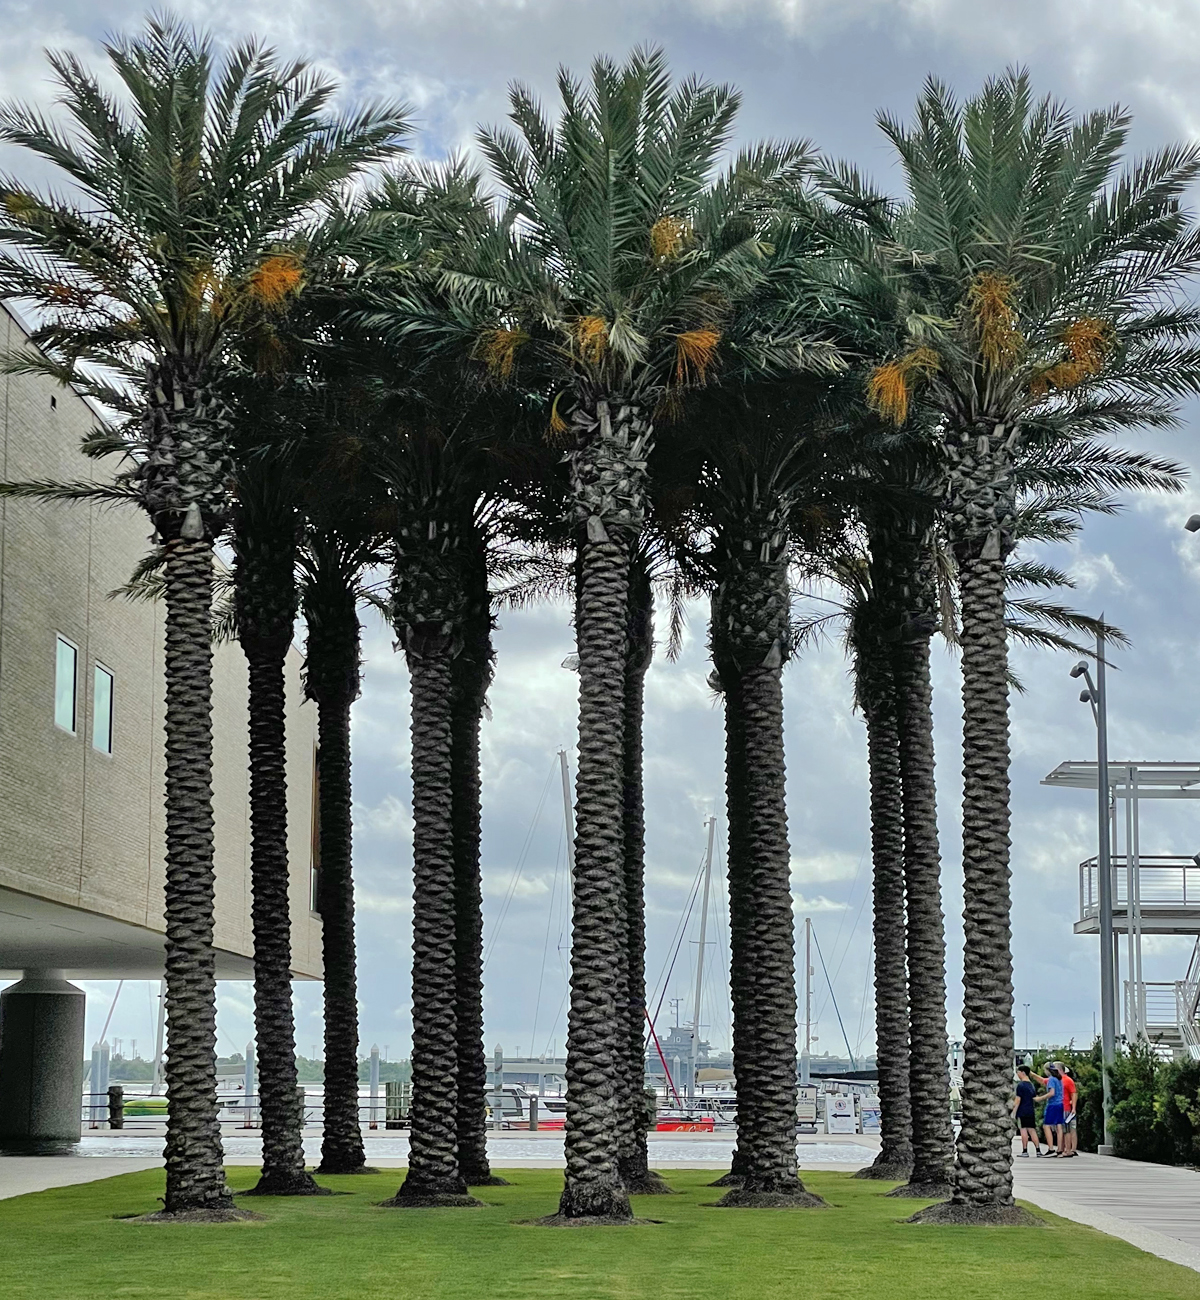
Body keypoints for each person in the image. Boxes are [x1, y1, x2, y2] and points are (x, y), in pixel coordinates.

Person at [1011, 1065, 1043, 1157]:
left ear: (1023, 1073)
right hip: (1030, 1110)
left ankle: (1025, 1151)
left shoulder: (1020, 1085)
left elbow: (1018, 1100)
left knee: (1023, 1130)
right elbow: (1034, 1097)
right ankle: (1038, 1150)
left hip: (1022, 1111)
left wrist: (1013, 1112)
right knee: (1032, 1130)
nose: (1017, 1074)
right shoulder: (1031, 1085)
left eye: (1018, 1072)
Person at [1036, 1063, 1065, 1156]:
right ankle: (1060, 1148)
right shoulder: (1059, 1079)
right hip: (1060, 1103)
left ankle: (1051, 1148)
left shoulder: (1051, 1079)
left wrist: (1040, 1098)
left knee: (1046, 1126)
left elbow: (1052, 1093)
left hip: (1053, 1104)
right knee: (1059, 1126)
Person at [1058, 1063, 1079, 1158]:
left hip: (1067, 1109)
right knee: (1067, 1129)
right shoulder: (1060, 1081)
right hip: (1063, 1108)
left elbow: (1074, 1094)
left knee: (1068, 1130)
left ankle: (1070, 1149)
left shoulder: (1067, 1081)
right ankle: (1066, 1148)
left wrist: (1073, 1107)